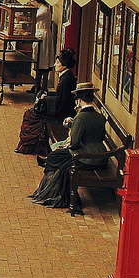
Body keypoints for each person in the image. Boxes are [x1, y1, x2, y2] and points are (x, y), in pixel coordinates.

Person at [29, 82, 108, 210]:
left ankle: (52, 192)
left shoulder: (81, 118)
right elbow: (100, 136)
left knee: (55, 157)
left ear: (80, 100)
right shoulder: (99, 117)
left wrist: (64, 146)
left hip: (86, 157)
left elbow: (75, 143)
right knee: (58, 158)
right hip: (101, 156)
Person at [15, 48, 77, 154]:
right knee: (31, 113)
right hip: (62, 109)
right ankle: (31, 146)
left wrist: (46, 100)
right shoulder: (66, 77)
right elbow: (60, 97)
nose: (54, 64)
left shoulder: (66, 80)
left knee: (30, 115)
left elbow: (62, 103)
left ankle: (29, 147)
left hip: (62, 114)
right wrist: (47, 96)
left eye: (57, 62)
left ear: (64, 65)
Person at [28, 0, 55, 93]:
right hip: (39, 34)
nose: (32, 3)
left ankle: (43, 86)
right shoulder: (41, 9)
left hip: (43, 36)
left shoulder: (44, 10)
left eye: (32, 1)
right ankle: (37, 84)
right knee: (37, 59)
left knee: (43, 60)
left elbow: (33, 19)